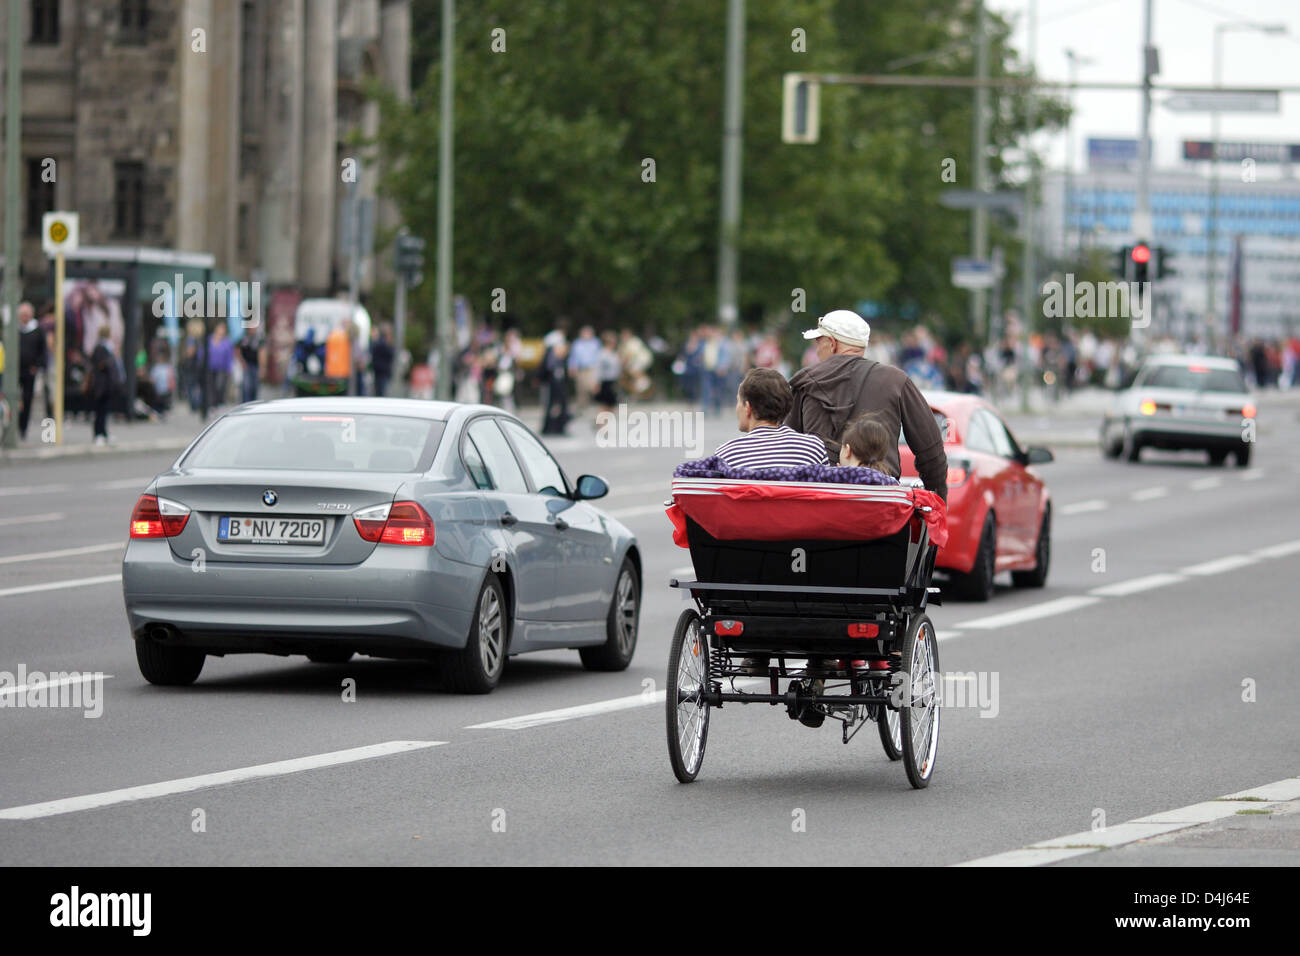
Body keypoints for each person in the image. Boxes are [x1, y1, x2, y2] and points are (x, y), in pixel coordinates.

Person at [787, 309, 947, 502]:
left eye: (818, 341)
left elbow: (787, 450)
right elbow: (931, 452)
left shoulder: (805, 382)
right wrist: (938, 501)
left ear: (832, 343)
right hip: (882, 506)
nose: (816, 348)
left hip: (817, 506)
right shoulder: (895, 381)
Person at [713, 368, 827, 469]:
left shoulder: (726, 456)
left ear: (748, 408)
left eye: (738, 401)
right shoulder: (814, 449)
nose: (736, 408)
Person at [86, 324, 120, 445]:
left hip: (105, 385)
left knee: (104, 410)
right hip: (101, 385)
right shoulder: (101, 348)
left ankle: (103, 433)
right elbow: (100, 365)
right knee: (100, 410)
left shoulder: (105, 347)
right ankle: (98, 434)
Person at [17, 302, 47, 440]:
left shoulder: (37, 329)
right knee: (11, 398)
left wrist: (37, 366)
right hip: (14, 371)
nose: (24, 318)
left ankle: (22, 427)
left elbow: (42, 350)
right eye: (22, 315)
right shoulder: (14, 329)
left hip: (30, 370)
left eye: (26, 315)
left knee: (27, 399)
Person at [370, 324, 395, 397]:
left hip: (378, 371)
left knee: (378, 391)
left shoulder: (377, 343)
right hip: (383, 371)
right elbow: (390, 355)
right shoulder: (384, 345)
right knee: (382, 392)